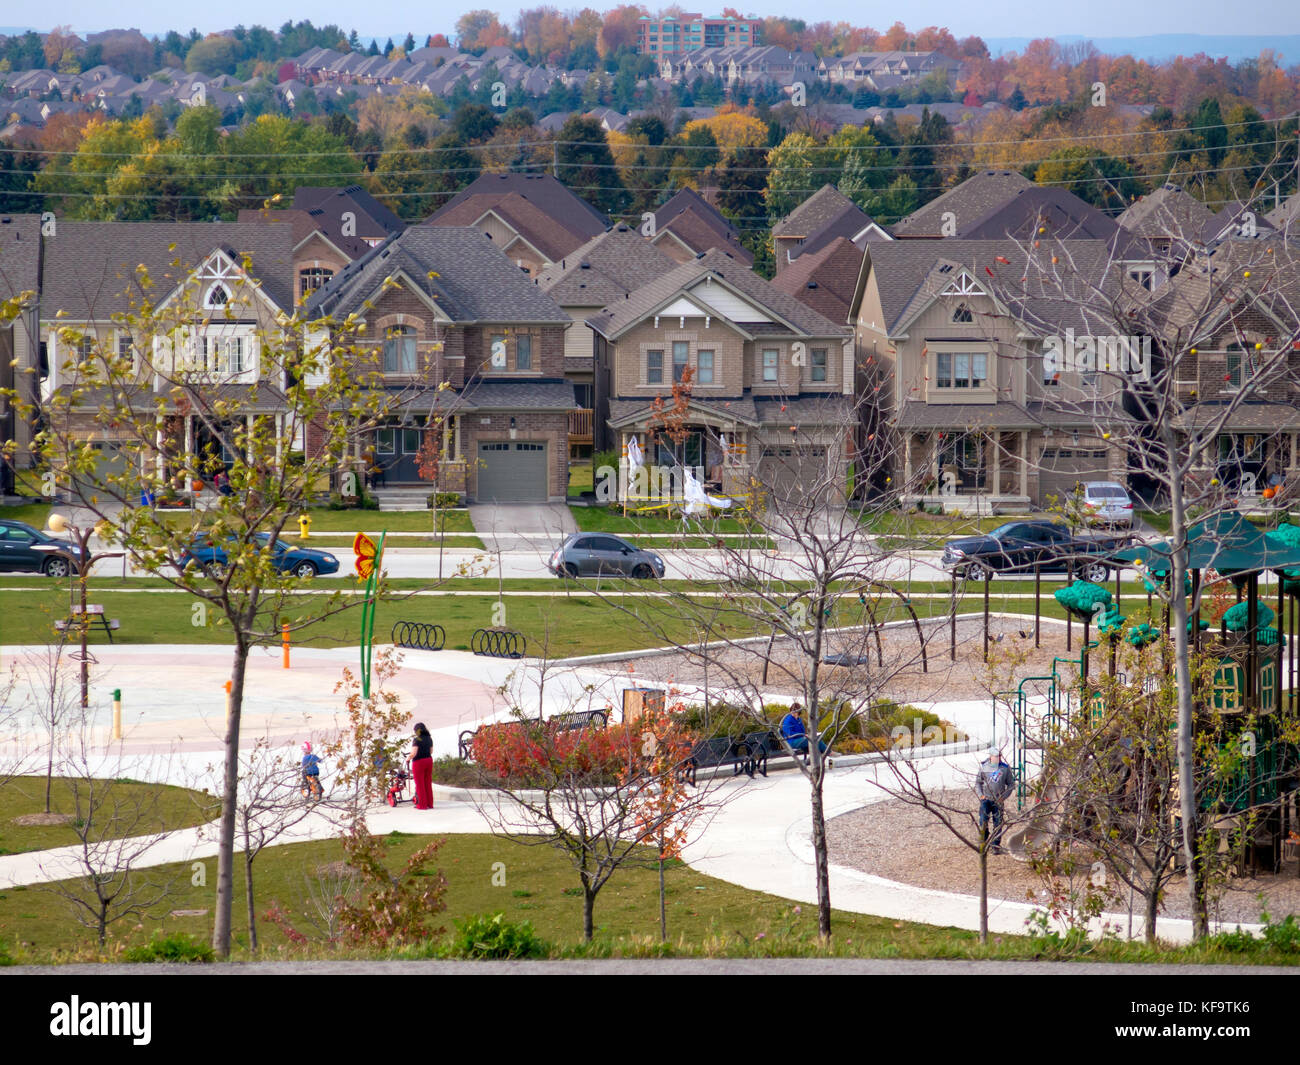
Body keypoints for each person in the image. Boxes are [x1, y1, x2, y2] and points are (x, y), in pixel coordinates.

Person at [976, 747, 1015, 854]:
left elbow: (1011, 784)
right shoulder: (984, 767)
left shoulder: (1005, 768)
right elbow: (978, 782)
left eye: (999, 756)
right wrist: (981, 795)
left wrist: (1004, 796)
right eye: (995, 756)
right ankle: (984, 841)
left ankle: (996, 845)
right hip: (986, 799)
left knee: (998, 822)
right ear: (990, 757)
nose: (997, 758)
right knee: (983, 821)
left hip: (998, 800)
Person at [410, 722, 434, 810]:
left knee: (420, 784)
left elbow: (414, 753)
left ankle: (422, 805)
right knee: (427, 783)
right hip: (429, 760)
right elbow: (431, 751)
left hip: (418, 762)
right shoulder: (429, 738)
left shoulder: (417, 739)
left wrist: (408, 758)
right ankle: (429, 804)